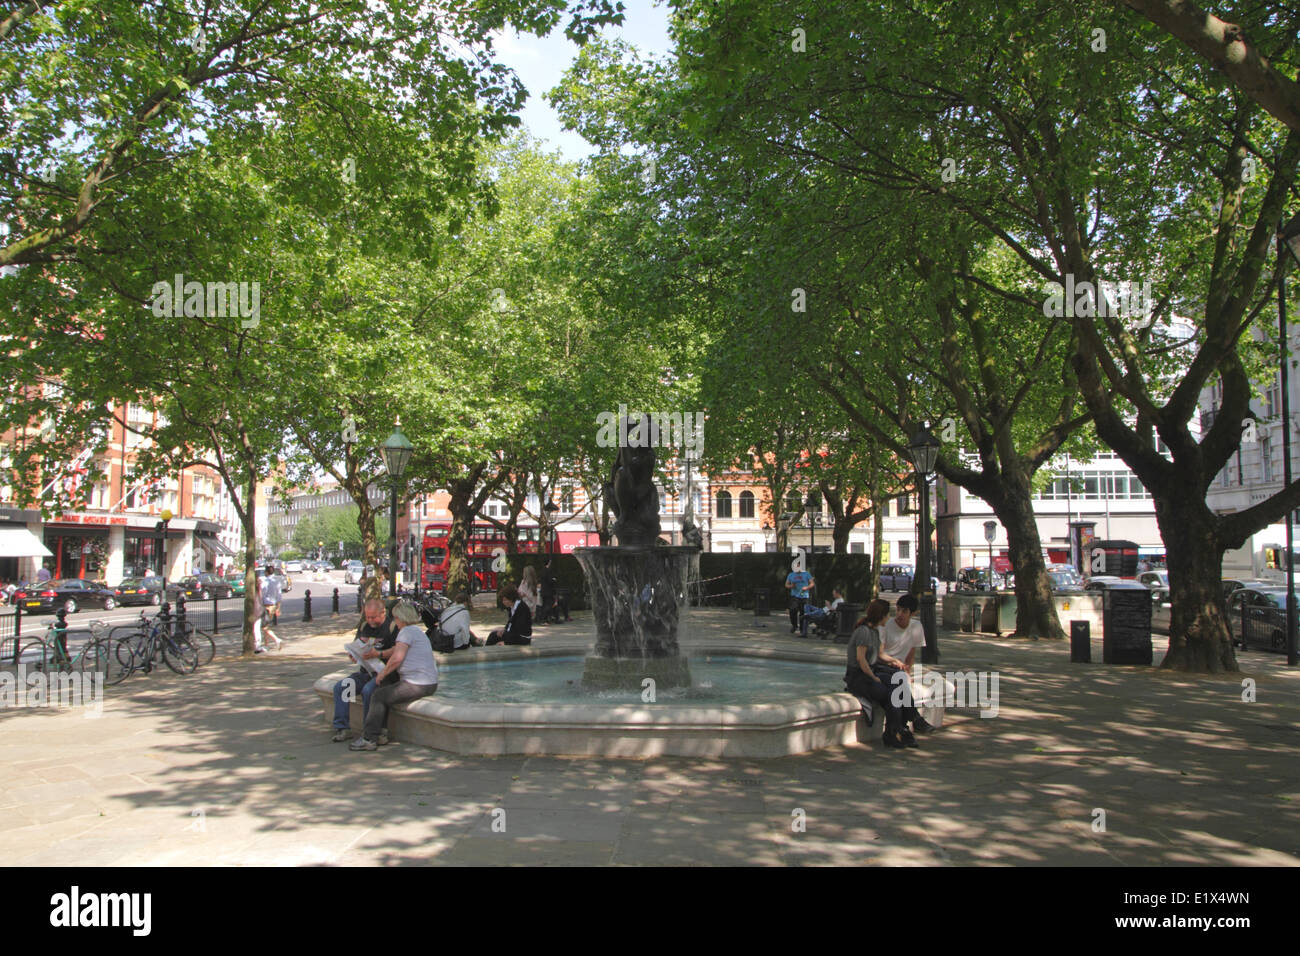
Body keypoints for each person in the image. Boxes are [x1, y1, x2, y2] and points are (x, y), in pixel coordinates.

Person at [350, 600, 439, 751]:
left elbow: (397, 658)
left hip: (418, 684)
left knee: (378, 696)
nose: (395, 622)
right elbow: (396, 650)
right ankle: (381, 732)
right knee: (385, 687)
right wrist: (379, 655)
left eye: (396, 618)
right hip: (428, 682)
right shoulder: (416, 631)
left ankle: (369, 738)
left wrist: (381, 673)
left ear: (402, 618)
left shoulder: (405, 632)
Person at [844, 598, 916, 749]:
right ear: (881, 616)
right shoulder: (863, 632)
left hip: (870, 672)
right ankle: (896, 730)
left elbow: (879, 655)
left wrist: (895, 662)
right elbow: (861, 659)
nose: (889, 618)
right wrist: (874, 677)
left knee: (898, 685)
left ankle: (900, 728)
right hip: (858, 677)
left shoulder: (874, 631)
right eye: (887, 615)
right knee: (891, 694)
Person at [331, 599, 399, 741]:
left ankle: (368, 731)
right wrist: (354, 655)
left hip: (384, 674)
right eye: (367, 617)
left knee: (368, 691)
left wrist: (378, 654)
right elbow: (357, 644)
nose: (370, 620)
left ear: (383, 613)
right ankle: (343, 728)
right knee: (342, 687)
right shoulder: (364, 626)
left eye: (373, 617)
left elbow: (398, 652)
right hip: (366, 672)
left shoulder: (392, 628)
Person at [882, 593, 937, 734]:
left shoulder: (916, 627)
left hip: (899, 669)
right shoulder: (886, 625)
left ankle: (908, 723)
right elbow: (878, 654)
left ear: (913, 613)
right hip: (884, 666)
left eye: (904, 611)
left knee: (902, 682)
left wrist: (908, 672)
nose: (899, 614)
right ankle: (915, 719)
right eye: (898, 609)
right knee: (900, 682)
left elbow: (911, 653)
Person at [252, 577, 283, 653]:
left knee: (263, 627)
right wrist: (278, 607)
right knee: (264, 627)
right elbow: (279, 596)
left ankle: (274, 640)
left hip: (263, 608)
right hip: (269, 606)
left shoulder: (261, 587)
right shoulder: (276, 581)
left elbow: (261, 598)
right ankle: (267, 644)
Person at [785, 563, 815, 636]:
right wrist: (791, 586)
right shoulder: (791, 575)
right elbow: (786, 584)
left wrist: (807, 587)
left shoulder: (806, 574)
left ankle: (802, 629)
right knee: (793, 610)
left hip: (804, 596)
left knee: (803, 613)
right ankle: (794, 625)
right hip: (794, 595)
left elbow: (812, 583)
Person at [537, 560, 558, 624]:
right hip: (548, 591)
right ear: (548, 563)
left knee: (544, 604)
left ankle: (545, 619)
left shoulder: (542, 570)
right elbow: (549, 581)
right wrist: (553, 580)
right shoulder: (548, 571)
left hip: (543, 590)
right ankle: (545, 619)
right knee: (548, 604)